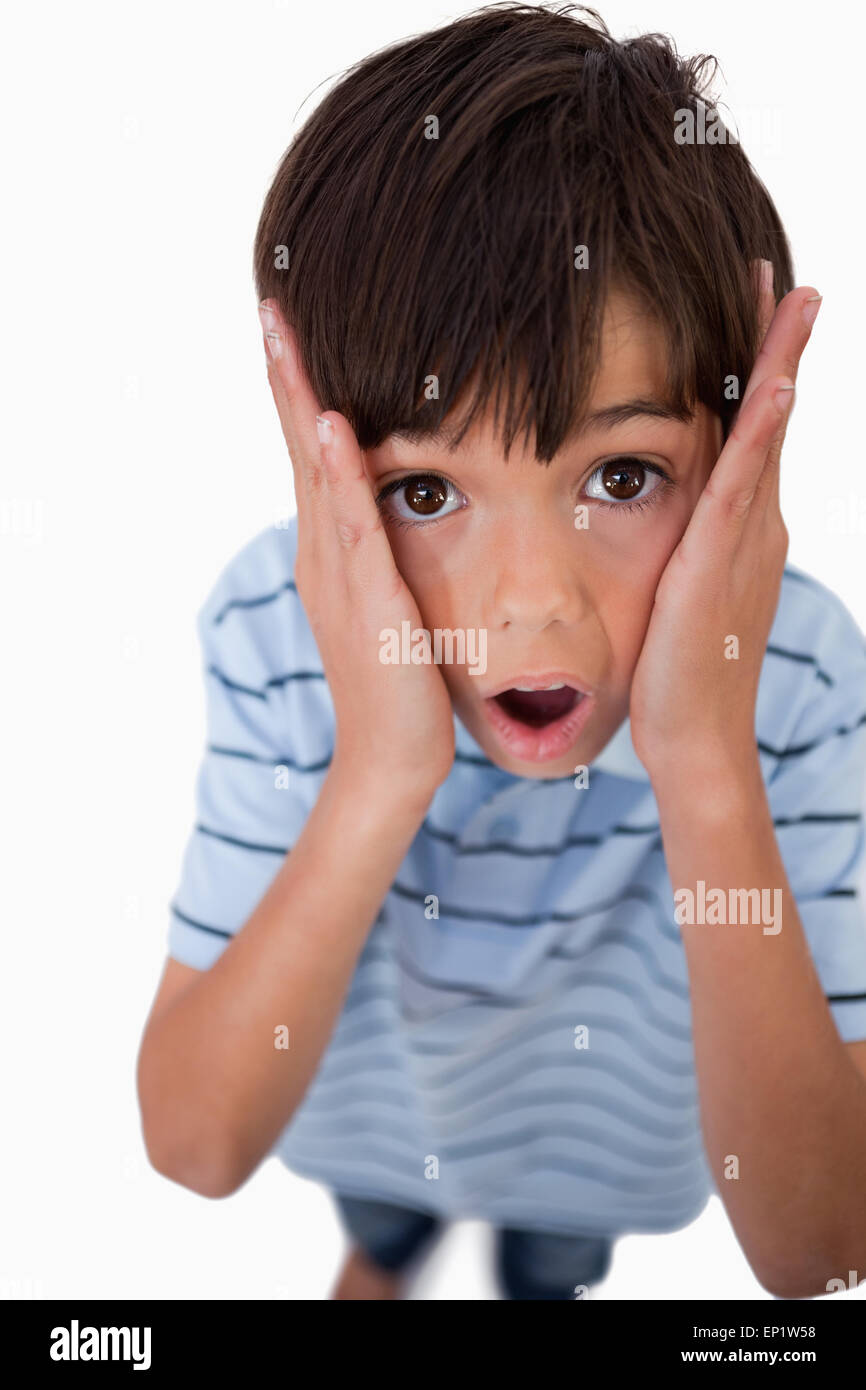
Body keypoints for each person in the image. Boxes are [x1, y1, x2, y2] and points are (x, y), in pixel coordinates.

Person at [136, 3, 866, 1300]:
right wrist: (378, 767)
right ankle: (388, 1247)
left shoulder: (793, 671)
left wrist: (700, 753)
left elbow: (814, 1244)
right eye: (424, 492)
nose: (530, 607)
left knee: (548, 1262)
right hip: (372, 1119)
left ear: (741, 453)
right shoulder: (277, 626)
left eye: (624, 472)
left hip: (595, 1157)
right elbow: (195, 1142)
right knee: (385, 1224)